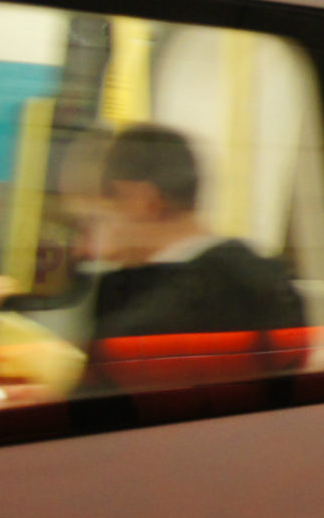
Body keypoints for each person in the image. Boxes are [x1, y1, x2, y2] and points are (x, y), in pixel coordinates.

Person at [81, 123, 306, 388]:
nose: (81, 247)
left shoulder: (145, 325)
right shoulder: (265, 273)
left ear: (141, 202)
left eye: (92, 221)